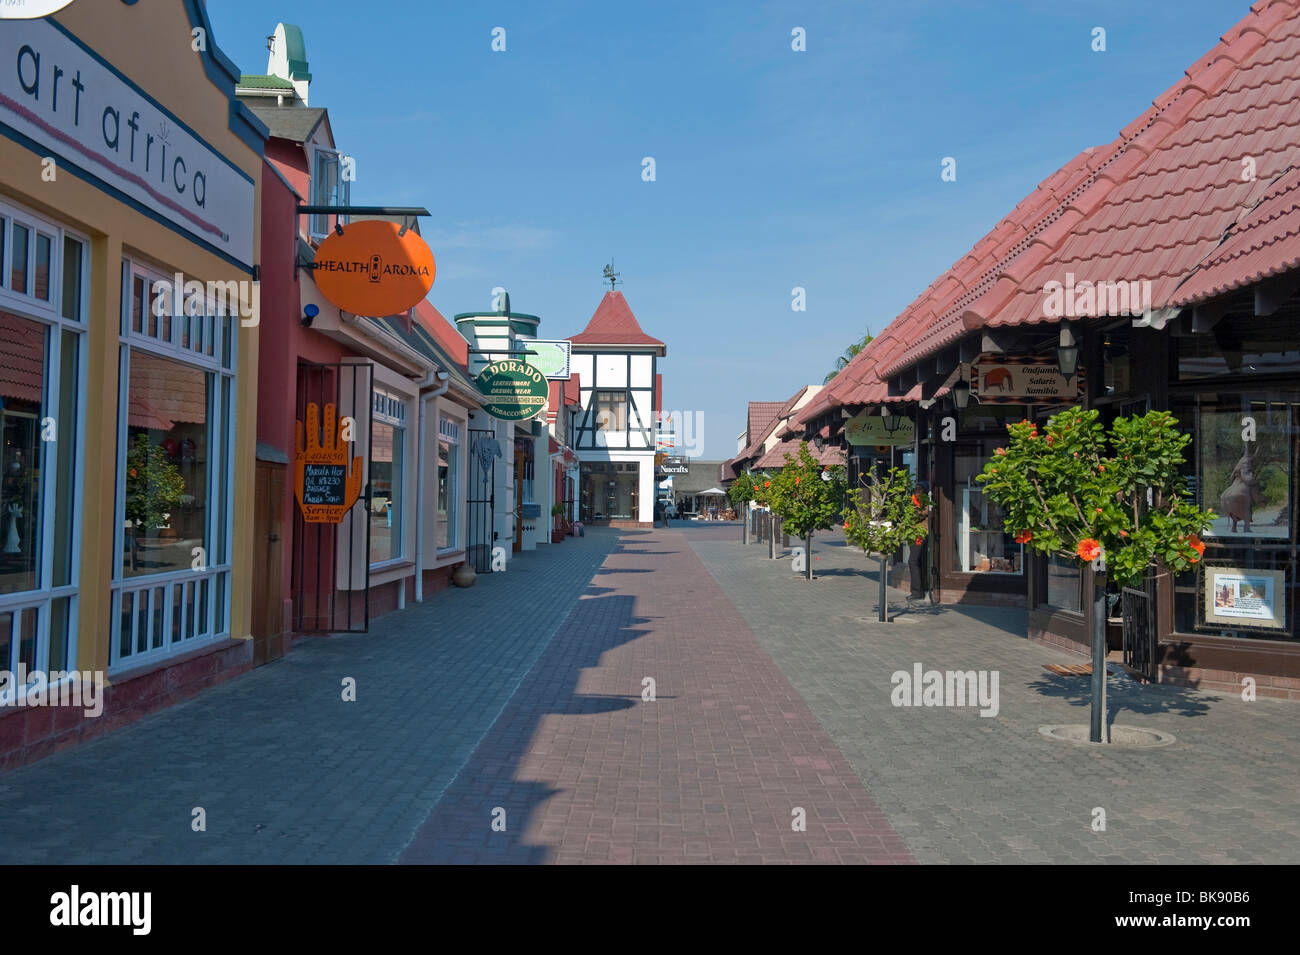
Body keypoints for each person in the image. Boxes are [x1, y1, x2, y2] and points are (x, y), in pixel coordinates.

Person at [908, 480, 933, 605]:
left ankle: (917, 591)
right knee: (918, 561)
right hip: (914, 533)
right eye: (916, 489)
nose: (917, 491)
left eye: (920, 489)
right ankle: (921, 589)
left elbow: (919, 515)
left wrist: (912, 510)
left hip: (920, 533)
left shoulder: (924, 502)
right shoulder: (914, 501)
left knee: (913, 561)